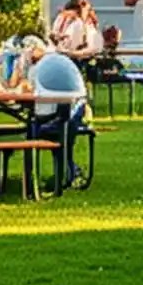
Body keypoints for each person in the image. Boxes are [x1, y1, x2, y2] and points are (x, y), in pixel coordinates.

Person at [31, 48, 91, 189]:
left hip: (56, 120)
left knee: (36, 129)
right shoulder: (62, 66)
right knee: (62, 133)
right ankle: (68, 170)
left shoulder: (44, 68)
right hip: (71, 116)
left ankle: (63, 172)